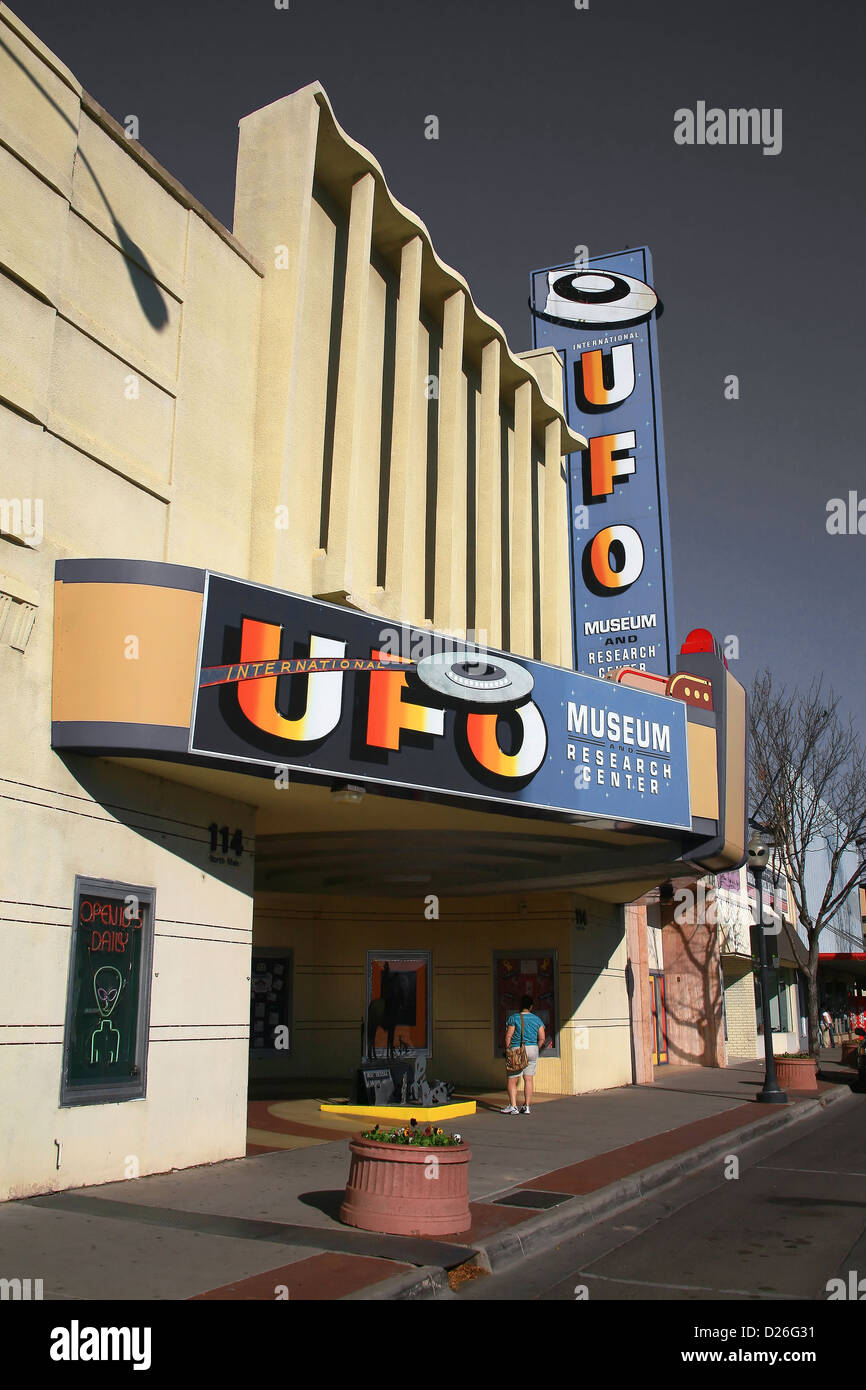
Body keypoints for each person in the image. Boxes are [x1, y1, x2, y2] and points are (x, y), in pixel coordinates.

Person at [501, 995, 546, 1115]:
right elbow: (542, 1038)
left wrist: (508, 1049)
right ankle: (527, 1106)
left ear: (520, 1006)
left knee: (512, 1079)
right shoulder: (537, 1019)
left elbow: (508, 1036)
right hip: (533, 1049)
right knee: (529, 1079)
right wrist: (536, 1047)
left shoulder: (514, 1018)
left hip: (517, 1049)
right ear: (531, 1007)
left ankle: (513, 1106)